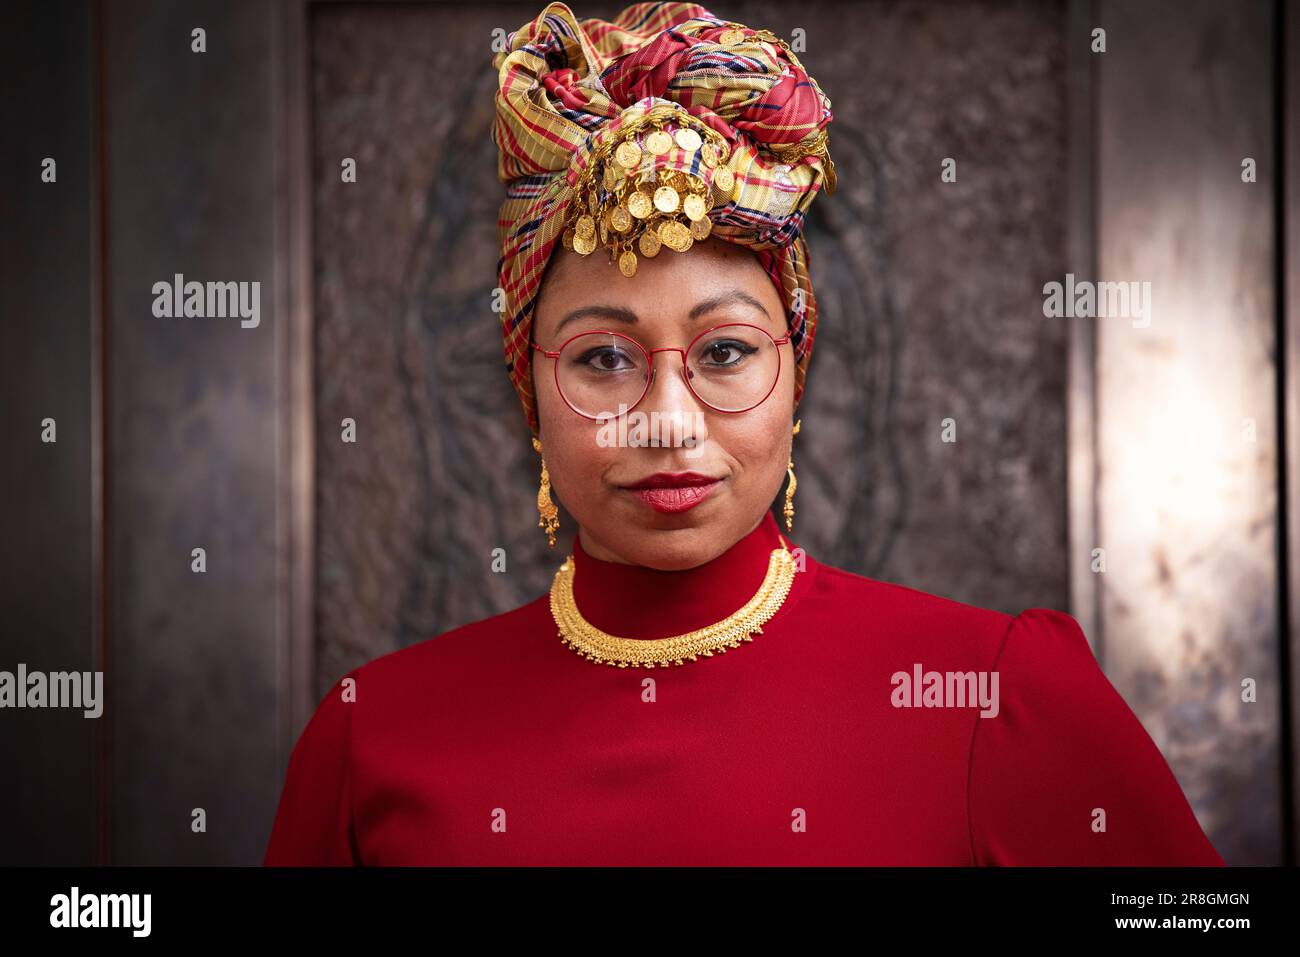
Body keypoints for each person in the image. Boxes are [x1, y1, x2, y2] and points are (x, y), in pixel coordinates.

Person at [264, 0, 1224, 866]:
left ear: (795, 373)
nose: (670, 420)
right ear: (528, 387)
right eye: (603, 358)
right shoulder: (372, 741)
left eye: (724, 352)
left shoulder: (991, 699)